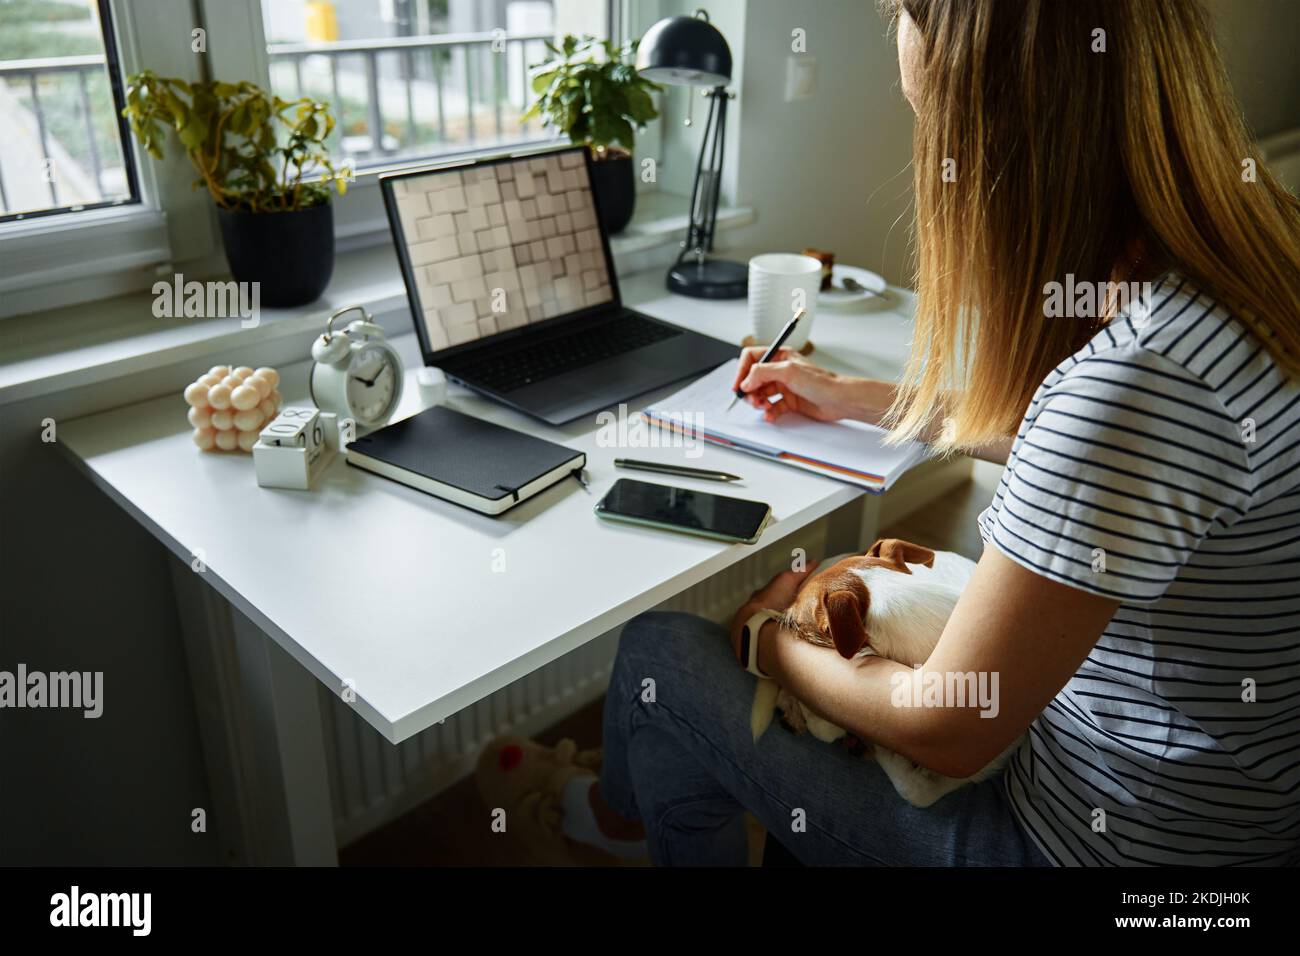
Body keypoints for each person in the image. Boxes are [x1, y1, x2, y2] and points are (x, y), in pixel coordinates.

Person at [482, 0, 1300, 866]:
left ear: (997, 138)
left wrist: (772, 646)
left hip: (1068, 846)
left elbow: (949, 729)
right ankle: (630, 812)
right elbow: (1102, 457)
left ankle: (606, 820)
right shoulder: (1241, 272)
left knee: (661, 651)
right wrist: (847, 395)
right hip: (1240, 819)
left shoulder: (1131, 387)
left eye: (927, 117)